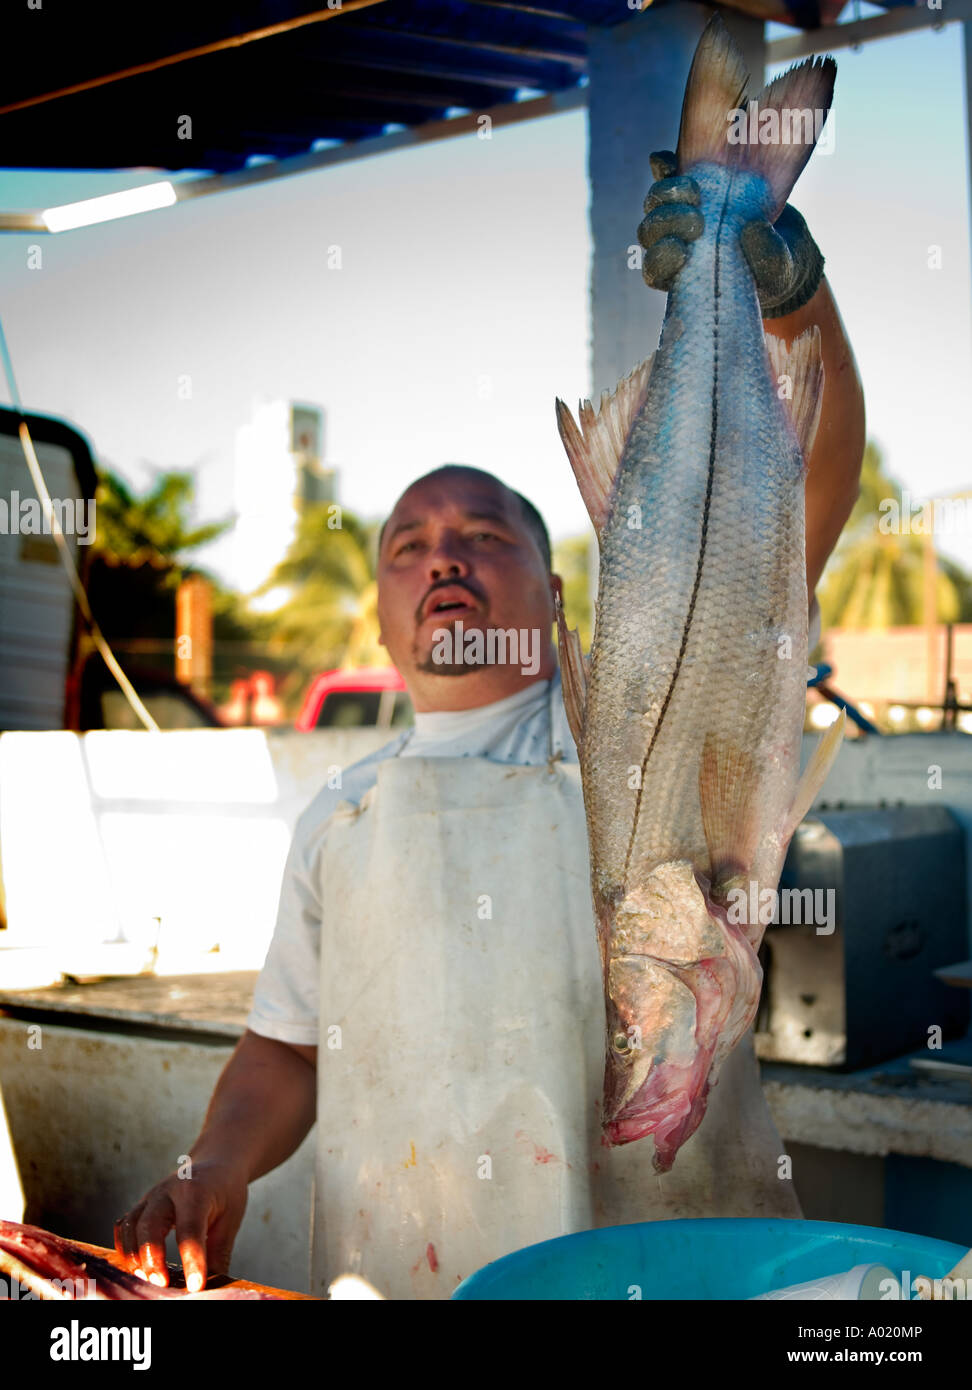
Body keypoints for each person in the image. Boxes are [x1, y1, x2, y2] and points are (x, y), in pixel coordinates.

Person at [114, 183, 864, 1300]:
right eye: (409, 545)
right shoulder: (341, 821)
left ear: (551, 584)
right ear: (380, 614)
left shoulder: (643, 732)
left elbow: (798, 509)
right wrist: (216, 1167)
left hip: (676, 1277)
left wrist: (797, 306)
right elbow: (285, 1047)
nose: (444, 559)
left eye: (481, 534)